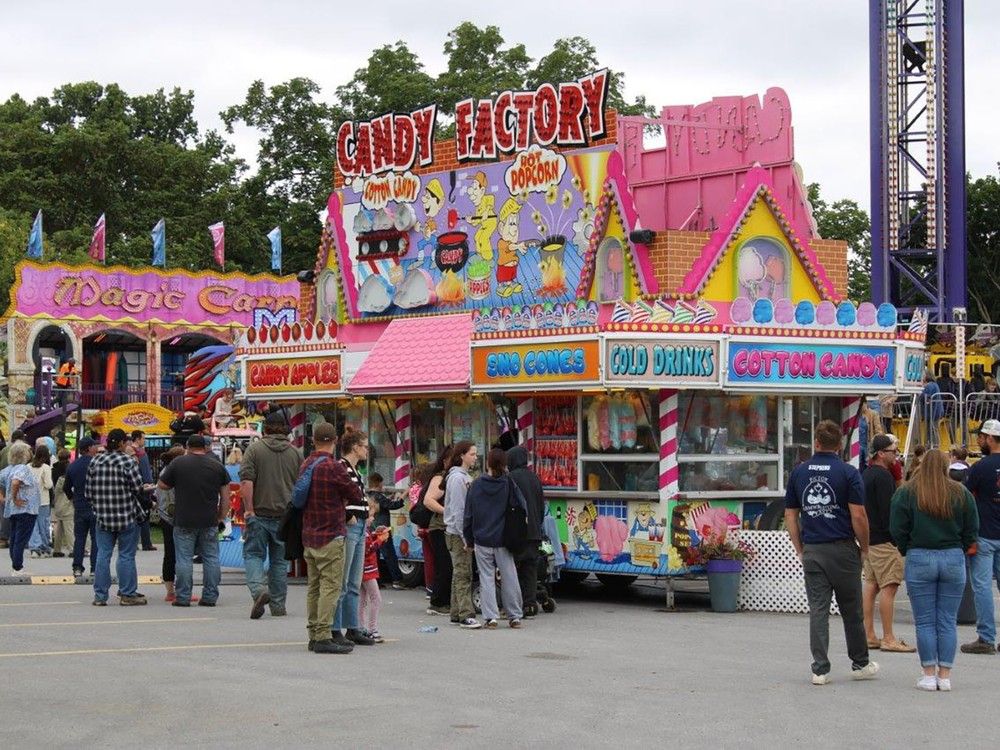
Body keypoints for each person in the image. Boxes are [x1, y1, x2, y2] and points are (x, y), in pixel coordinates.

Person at [784, 419, 878, 684]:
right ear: (839, 445)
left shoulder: (799, 472)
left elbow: (791, 514)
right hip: (843, 548)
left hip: (814, 548)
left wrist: (799, 547)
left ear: (816, 442)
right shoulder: (848, 473)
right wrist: (865, 547)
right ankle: (860, 663)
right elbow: (858, 515)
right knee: (851, 610)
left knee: (818, 610)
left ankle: (820, 669)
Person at [891, 449, 979, 690]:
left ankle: (928, 674)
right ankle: (945, 676)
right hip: (952, 556)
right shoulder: (960, 493)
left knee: (925, 621)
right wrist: (960, 546)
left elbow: (896, 526)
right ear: (945, 466)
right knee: (947, 621)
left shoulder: (907, 492)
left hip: (919, 555)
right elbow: (972, 528)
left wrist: (906, 546)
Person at [299, 421, 361, 655]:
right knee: (330, 586)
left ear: (313, 440)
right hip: (331, 533)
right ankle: (324, 634)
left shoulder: (307, 463)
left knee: (314, 587)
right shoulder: (333, 466)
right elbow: (354, 492)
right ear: (334, 441)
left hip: (309, 533)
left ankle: (313, 634)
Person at [239, 412, 303, 620]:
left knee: (253, 555)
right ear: (284, 429)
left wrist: (249, 510)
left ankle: (259, 591)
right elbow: (301, 487)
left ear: (264, 428)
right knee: (279, 562)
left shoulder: (254, 450)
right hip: (285, 516)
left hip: (259, 513)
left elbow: (247, 482)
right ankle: (278, 605)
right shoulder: (295, 453)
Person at [159, 435, 230, 608]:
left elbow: (162, 484)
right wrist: (221, 516)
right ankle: (210, 596)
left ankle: (183, 597)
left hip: (184, 519)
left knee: (183, 559)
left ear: (188, 446)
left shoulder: (178, 463)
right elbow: (225, 497)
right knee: (211, 558)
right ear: (205, 447)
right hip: (209, 519)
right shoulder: (217, 466)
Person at [862, 434, 914, 653]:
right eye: (894, 451)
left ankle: (868, 634)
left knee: (871, 586)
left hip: (869, 538)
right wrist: (897, 540)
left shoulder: (865, 475)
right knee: (889, 587)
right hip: (884, 539)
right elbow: (888, 513)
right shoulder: (883, 477)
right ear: (881, 453)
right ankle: (889, 637)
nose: (897, 455)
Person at [464, 448, 525, 629]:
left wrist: (469, 539)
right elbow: (522, 507)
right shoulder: (508, 484)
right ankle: (514, 616)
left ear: (488, 463)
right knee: (509, 576)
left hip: (482, 539)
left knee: (486, 578)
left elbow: (468, 515)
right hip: (504, 539)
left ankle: (490, 617)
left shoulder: (476, 485)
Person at [86, 429, 146, 606]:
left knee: (103, 554)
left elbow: (88, 493)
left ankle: (100, 596)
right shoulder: (127, 461)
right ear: (121, 444)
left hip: (103, 517)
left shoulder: (95, 462)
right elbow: (137, 488)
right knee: (126, 555)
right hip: (126, 515)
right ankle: (127, 593)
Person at [331, 427, 376, 647]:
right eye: (365, 446)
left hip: (359, 526)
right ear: (355, 447)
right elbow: (337, 495)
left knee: (353, 581)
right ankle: (335, 627)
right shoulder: (342, 467)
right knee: (343, 579)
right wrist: (348, 515)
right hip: (350, 527)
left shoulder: (355, 470)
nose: (367, 450)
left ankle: (352, 626)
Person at [961, 418, 1000, 655]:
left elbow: (966, 499)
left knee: (983, 587)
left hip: (984, 534)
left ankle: (986, 637)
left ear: (989, 438)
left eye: (981, 437)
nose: (979, 441)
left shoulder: (979, 468)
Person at [444, 441, 482, 629]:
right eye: (472, 454)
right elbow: (459, 511)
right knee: (463, 574)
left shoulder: (463, 477)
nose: (475, 457)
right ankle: (466, 614)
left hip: (457, 532)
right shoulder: (459, 479)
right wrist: (466, 536)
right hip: (458, 533)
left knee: (458, 572)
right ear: (462, 456)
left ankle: (456, 611)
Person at [507, 445, 545, 616]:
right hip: (534, 530)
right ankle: (529, 604)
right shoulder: (534, 478)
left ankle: (514, 603)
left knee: (512, 568)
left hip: (517, 532)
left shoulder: (511, 478)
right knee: (530, 568)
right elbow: (541, 505)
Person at [422, 447, 454, 616]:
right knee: (444, 564)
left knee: (447, 564)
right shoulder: (440, 478)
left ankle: (444, 600)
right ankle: (438, 602)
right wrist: (447, 511)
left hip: (448, 527)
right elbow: (429, 500)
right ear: (446, 461)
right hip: (439, 527)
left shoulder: (453, 477)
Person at [1, 443, 40, 574]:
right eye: (28, 451)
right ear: (23, 454)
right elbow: (16, 481)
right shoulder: (23, 468)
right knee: (20, 539)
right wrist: (15, 497)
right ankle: (17, 567)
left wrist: (4, 498)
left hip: (13, 510)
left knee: (15, 538)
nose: (30, 453)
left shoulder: (9, 468)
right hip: (25, 508)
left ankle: (16, 565)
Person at [155, 447, 187, 602]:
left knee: (169, 553)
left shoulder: (164, 472)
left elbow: (157, 495)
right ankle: (180, 589)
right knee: (181, 554)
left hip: (164, 516)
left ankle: (170, 590)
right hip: (175, 517)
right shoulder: (176, 473)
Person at [65, 437, 99, 576]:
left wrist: (73, 498)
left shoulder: (73, 466)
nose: (96, 448)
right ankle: (94, 568)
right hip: (96, 505)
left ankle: (77, 567)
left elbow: (67, 487)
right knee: (96, 538)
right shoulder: (97, 464)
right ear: (89, 448)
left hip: (79, 505)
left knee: (79, 538)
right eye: (94, 446)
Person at [368, 472, 404, 589]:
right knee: (389, 554)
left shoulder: (368, 495)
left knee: (375, 555)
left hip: (371, 528)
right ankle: (397, 580)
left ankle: (377, 580)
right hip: (382, 530)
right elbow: (394, 505)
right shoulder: (379, 496)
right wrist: (403, 496)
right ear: (378, 483)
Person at [359, 502, 390, 642]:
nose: (372, 519)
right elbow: (368, 549)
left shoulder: (363, 531)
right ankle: (372, 629)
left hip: (362, 569)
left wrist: (376, 533)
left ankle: (360, 627)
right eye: (371, 516)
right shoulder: (364, 534)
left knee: (362, 600)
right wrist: (380, 540)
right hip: (368, 570)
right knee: (376, 599)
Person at [129, 430, 157, 552]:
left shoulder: (139, 451)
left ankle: (145, 542)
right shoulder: (134, 452)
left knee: (144, 514)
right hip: (142, 486)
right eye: (143, 438)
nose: (144, 440)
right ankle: (143, 542)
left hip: (144, 485)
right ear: (137, 439)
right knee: (142, 514)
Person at [27, 443, 54, 558]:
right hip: (43, 501)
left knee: (33, 525)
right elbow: (48, 485)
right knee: (43, 524)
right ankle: (45, 546)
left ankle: (34, 547)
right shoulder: (46, 468)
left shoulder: (28, 467)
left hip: (30, 500)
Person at [50, 448, 73, 557]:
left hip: (57, 499)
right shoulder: (69, 468)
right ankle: (72, 549)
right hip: (66, 500)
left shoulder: (53, 470)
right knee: (69, 526)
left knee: (59, 526)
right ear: (68, 457)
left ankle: (57, 549)